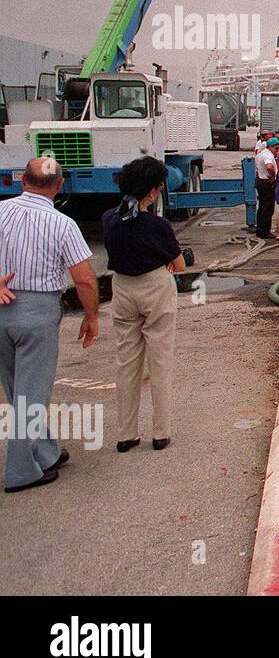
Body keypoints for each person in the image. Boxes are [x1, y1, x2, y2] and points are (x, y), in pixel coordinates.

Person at [0, 157, 99, 492]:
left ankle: (44, 451)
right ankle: (21, 471)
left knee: (18, 389)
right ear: (59, 187)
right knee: (33, 393)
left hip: (3, 305)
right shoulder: (62, 224)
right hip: (36, 310)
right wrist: (91, 315)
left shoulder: (1, 212)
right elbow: (84, 279)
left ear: (21, 181)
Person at [102, 157, 184, 453]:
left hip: (122, 287)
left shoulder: (109, 218)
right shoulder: (158, 225)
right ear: (152, 191)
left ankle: (126, 433)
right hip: (154, 286)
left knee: (127, 362)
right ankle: (160, 432)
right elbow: (180, 264)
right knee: (160, 360)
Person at [254, 137, 279, 239]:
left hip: (260, 181)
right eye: (276, 148)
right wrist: (273, 176)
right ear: (271, 147)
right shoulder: (268, 155)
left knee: (262, 207)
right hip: (267, 183)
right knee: (268, 208)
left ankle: (260, 230)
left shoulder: (260, 154)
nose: (277, 151)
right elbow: (269, 166)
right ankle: (265, 231)